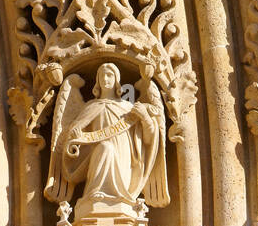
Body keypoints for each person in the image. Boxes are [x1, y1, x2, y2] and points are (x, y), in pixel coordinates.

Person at [45, 62, 169, 217]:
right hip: (96, 154)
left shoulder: (128, 107)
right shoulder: (91, 106)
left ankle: (120, 197)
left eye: (109, 75)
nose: (105, 78)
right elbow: (72, 133)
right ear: (97, 81)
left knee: (108, 149)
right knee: (105, 147)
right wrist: (75, 134)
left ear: (117, 79)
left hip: (124, 154)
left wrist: (145, 118)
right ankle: (95, 193)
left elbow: (149, 140)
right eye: (101, 75)